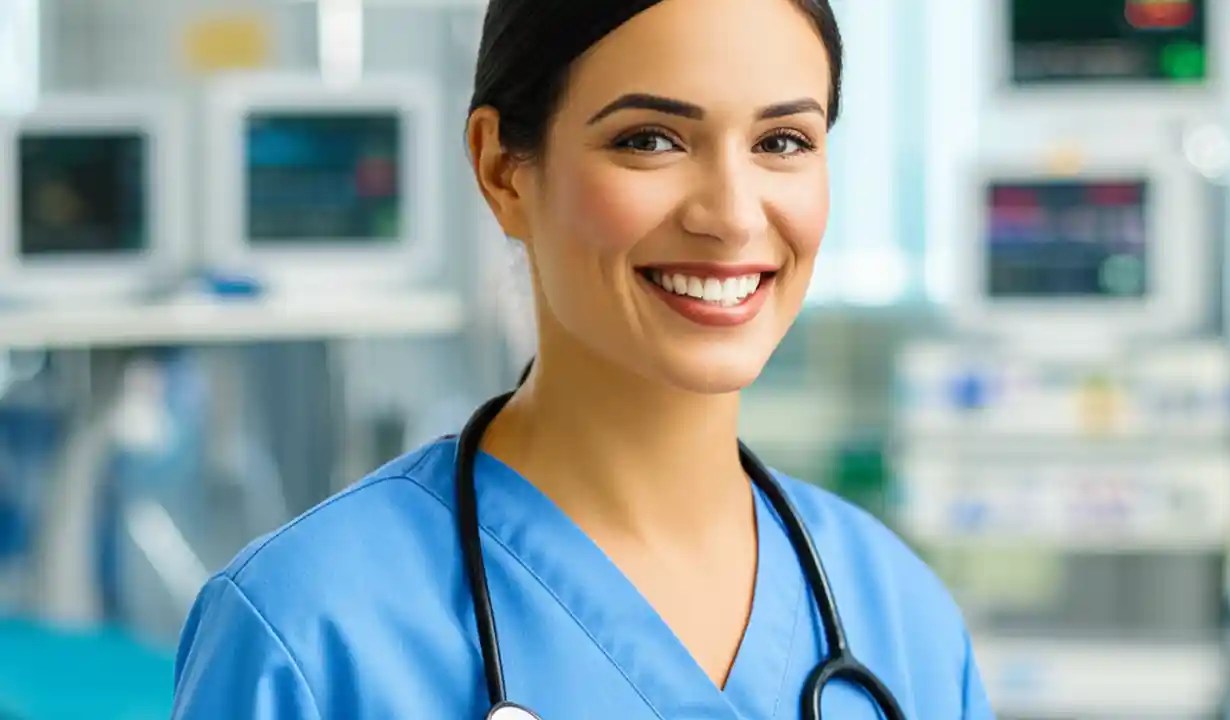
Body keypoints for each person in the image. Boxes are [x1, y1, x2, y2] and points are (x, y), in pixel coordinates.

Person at [171, 0, 994, 717]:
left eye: (782, 141)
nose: (734, 217)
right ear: (503, 170)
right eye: (651, 139)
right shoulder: (310, 632)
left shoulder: (898, 617)